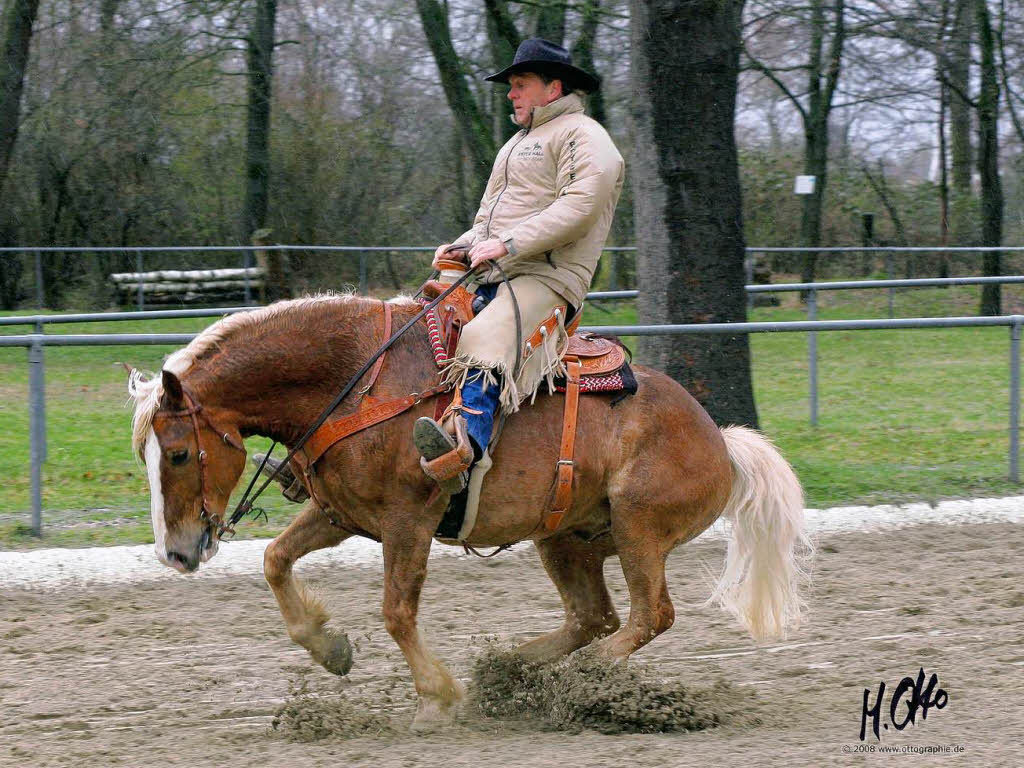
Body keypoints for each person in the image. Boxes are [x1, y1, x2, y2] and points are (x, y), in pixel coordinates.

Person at [413, 37, 625, 494]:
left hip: (548, 277)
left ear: (553, 88)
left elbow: (580, 207)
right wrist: (462, 244)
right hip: (499, 268)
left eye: (520, 84)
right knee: (412, 326)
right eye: (511, 85)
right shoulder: (516, 143)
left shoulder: (586, 137)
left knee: (483, 339)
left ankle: (463, 449)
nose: (511, 94)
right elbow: (487, 218)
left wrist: (507, 245)